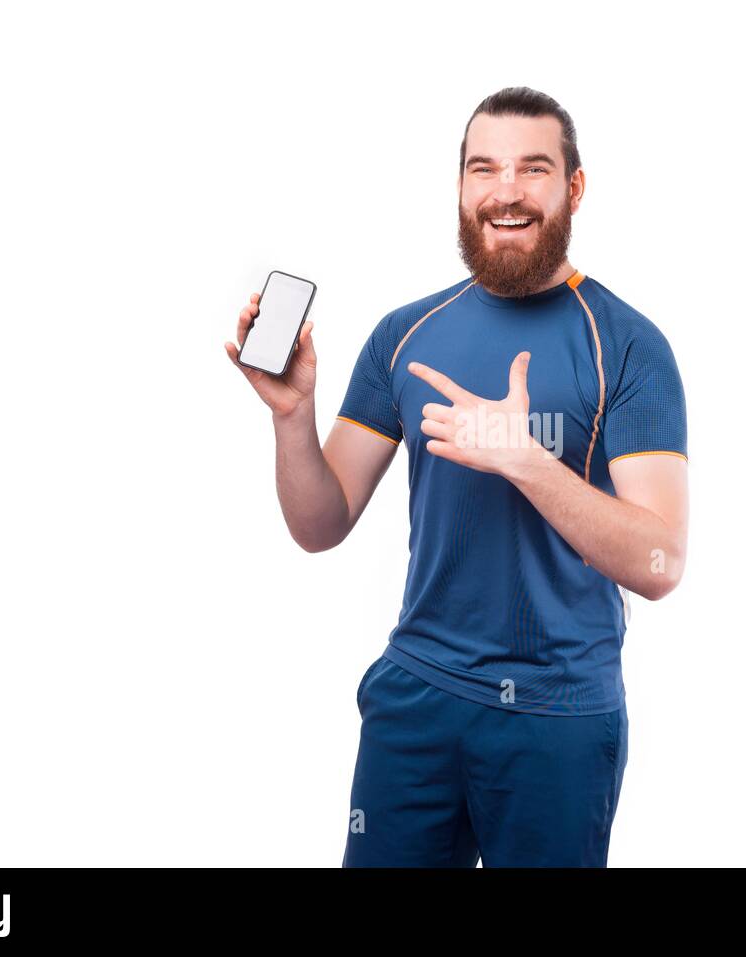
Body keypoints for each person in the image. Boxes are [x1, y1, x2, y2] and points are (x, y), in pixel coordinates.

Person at [224, 87, 689, 867]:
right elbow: (318, 524)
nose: (506, 190)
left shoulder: (630, 346)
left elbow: (660, 563)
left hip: (558, 716)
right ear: (462, 186)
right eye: (484, 169)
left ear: (573, 188)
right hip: (416, 700)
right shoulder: (404, 335)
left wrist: (522, 458)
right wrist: (291, 416)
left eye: (533, 169)